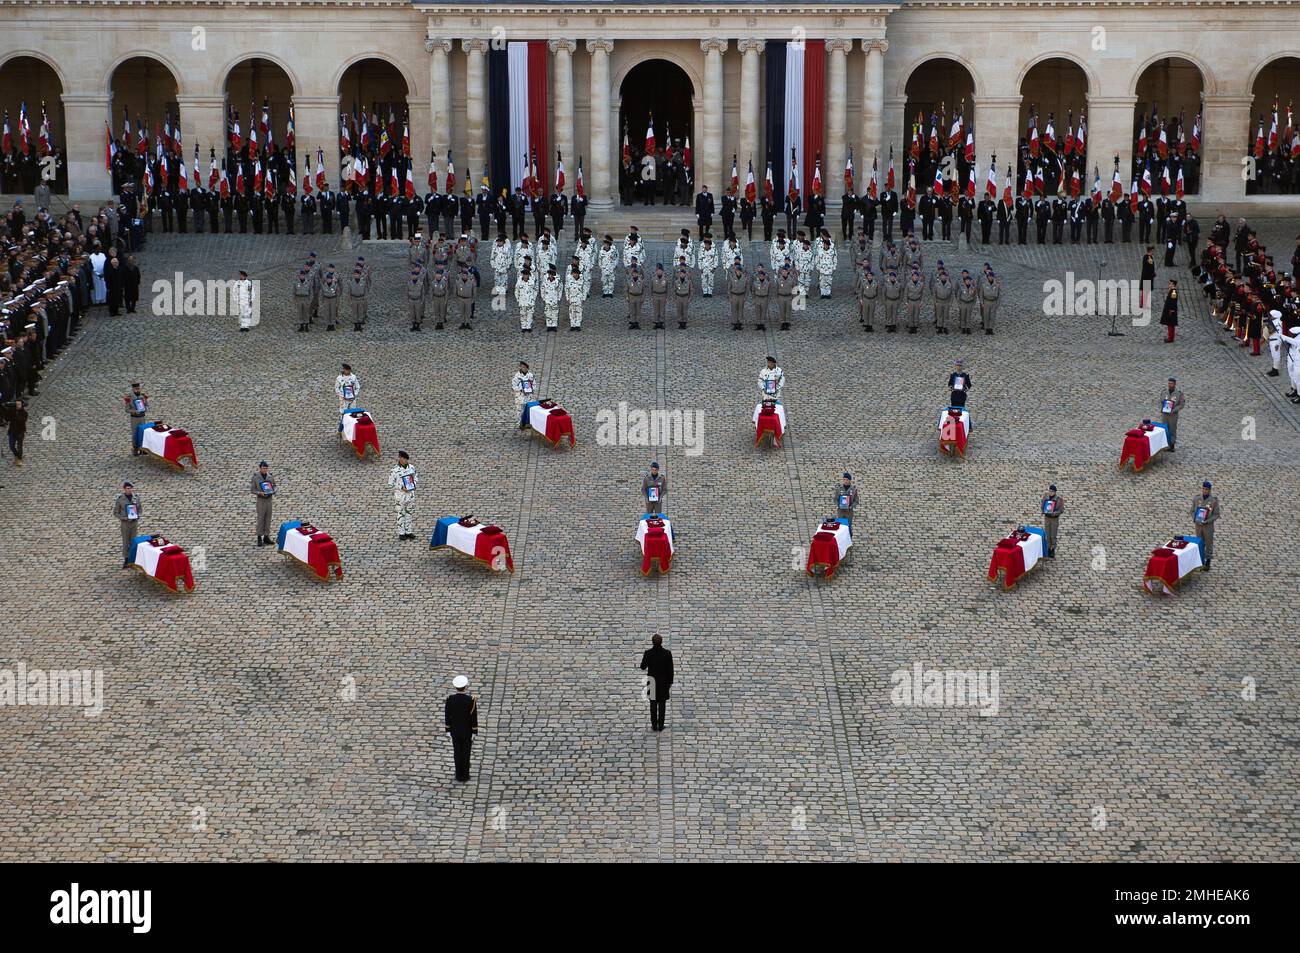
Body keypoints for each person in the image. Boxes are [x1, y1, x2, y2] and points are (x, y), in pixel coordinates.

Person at [444, 674, 478, 783]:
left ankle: (459, 775)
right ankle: (466, 775)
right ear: (465, 686)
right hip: (467, 732)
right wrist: (474, 731)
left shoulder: (450, 699)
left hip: (455, 731)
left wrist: (448, 729)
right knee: (466, 753)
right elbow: (473, 717)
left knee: (457, 753)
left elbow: (447, 715)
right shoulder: (470, 700)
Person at [639, 634, 674, 732]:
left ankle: (654, 725)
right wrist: (670, 681)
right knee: (662, 703)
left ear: (652, 642)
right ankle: (661, 725)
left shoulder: (648, 653)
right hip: (663, 682)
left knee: (653, 704)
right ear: (661, 642)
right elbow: (670, 670)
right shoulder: (667, 653)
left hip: (652, 681)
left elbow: (643, 667)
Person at [387, 450, 419, 541]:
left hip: (410, 495)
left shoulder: (412, 468)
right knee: (401, 514)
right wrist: (401, 487)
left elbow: (415, 477)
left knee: (409, 513)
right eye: (401, 458)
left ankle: (408, 531)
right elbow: (390, 484)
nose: (403, 460)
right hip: (400, 496)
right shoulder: (394, 470)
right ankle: (401, 533)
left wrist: (414, 485)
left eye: (404, 458)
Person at [1191, 480, 1220, 569]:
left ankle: (1207, 562)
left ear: (1209, 490)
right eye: (1203, 489)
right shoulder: (1197, 499)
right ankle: (1200, 561)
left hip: (1208, 526)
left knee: (1208, 543)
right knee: (1200, 543)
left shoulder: (1213, 501)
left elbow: (1216, 514)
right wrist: (1195, 518)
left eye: (1206, 489)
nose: (1205, 491)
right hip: (1198, 525)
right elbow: (1192, 510)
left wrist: (1207, 521)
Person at [113, 481, 141, 568]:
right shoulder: (120, 499)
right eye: (128, 488)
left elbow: (140, 509)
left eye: (131, 488)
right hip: (125, 523)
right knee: (125, 542)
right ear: (124, 489)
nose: (130, 490)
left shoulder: (136, 498)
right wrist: (124, 518)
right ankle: (126, 559)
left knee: (133, 541)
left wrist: (137, 515)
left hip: (134, 523)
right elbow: (115, 513)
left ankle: (133, 560)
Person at [251, 460, 276, 547]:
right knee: (261, 519)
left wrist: (273, 491)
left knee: (268, 519)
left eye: (266, 468)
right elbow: (252, 490)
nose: (265, 470)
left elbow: (274, 486)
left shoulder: (270, 476)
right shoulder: (255, 477)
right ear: (260, 468)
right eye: (263, 468)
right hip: (261, 500)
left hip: (269, 500)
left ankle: (266, 536)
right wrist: (259, 493)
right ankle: (259, 537)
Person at [124, 382, 150, 454]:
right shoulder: (129, 398)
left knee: (143, 432)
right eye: (136, 389)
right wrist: (135, 411)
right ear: (133, 389)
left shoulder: (142, 396)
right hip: (134, 418)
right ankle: (135, 448)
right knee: (135, 433)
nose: (138, 390)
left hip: (142, 417)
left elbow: (146, 404)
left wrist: (146, 407)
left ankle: (142, 448)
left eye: (138, 389)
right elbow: (127, 409)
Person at [1160, 377, 1185, 451]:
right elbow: (1161, 401)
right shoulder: (1164, 392)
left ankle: (1172, 445)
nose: (1169, 385)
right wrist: (1162, 408)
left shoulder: (1179, 394)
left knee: (1172, 430)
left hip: (1173, 415)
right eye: (1169, 383)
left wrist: (1174, 410)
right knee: (1165, 429)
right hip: (1165, 414)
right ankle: (1165, 444)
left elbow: (1181, 405)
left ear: (1174, 384)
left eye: (1171, 383)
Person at [1041, 484, 1063, 558]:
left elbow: (1061, 510)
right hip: (1047, 518)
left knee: (1053, 535)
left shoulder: (1059, 500)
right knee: (1047, 535)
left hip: (1054, 519)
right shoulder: (1045, 498)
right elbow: (1042, 505)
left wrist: (1054, 513)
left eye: (1052, 491)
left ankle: (1052, 549)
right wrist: (1043, 510)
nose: (1051, 492)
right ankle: (1047, 548)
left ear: (1055, 492)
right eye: (1050, 491)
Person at [6, 397, 27, 466]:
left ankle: (19, 459)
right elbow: (7, 419)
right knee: (11, 446)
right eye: (16, 404)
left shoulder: (24, 413)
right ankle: (17, 455)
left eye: (19, 404)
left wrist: (14, 413)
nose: (17, 406)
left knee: (19, 446)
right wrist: (8, 410)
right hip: (12, 431)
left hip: (20, 432)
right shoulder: (12, 411)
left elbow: (20, 420)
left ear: (22, 405)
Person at [1161, 278, 1179, 343]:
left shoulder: (1173, 291)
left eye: (1170, 283)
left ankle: (1170, 338)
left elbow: (1173, 302)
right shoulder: (1171, 290)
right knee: (1170, 324)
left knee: (1170, 324)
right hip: (1170, 310)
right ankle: (1170, 337)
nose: (1168, 285)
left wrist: (1171, 310)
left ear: (1173, 284)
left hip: (1171, 311)